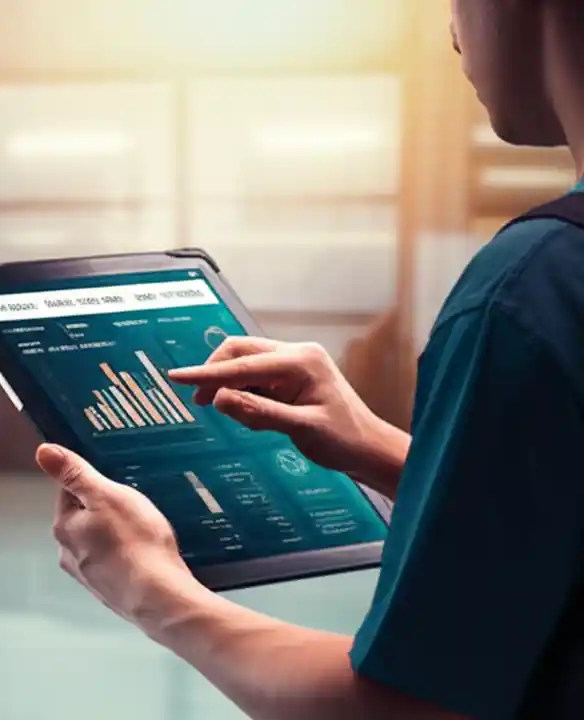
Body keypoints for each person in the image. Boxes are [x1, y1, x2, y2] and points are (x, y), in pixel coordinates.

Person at [37, 1, 584, 718]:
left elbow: (403, 710)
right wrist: (385, 450)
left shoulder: (534, 285)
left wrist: (154, 591)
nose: (453, 33)